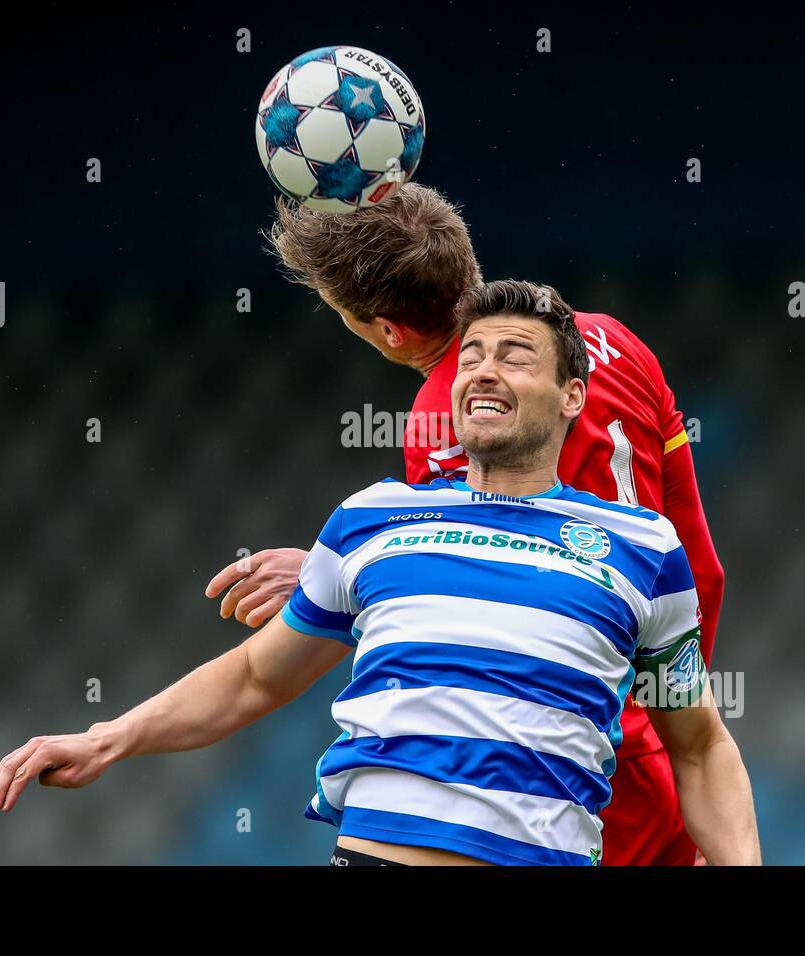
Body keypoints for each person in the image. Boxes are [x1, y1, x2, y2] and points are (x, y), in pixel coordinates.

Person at [0, 280, 760, 867]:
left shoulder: (640, 550)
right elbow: (256, 677)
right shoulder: (373, 520)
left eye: (515, 356)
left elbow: (697, 747)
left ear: (572, 397)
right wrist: (107, 738)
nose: (484, 372)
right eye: (473, 356)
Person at [208, 185, 726, 864]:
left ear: (387, 331)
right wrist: (679, 721)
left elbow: (465, 595)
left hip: (570, 773)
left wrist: (332, 575)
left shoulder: (444, 416)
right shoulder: (611, 341)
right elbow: (697, 567)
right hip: (665, 742)